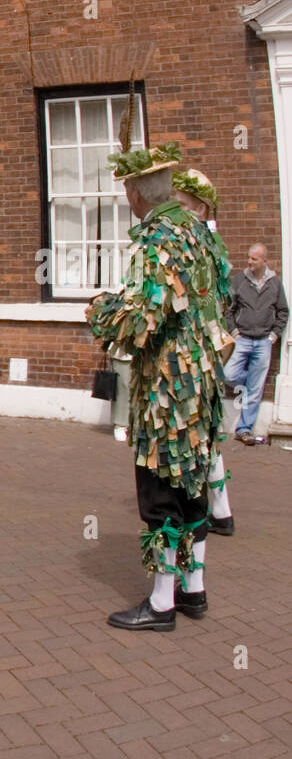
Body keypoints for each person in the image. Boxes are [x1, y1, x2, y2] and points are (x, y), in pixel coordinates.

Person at [88, 143, 228, 631]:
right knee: (192, 485)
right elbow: (212, 298)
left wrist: (102, 311)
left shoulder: (157, 239)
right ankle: (195, 592)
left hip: (169, 387)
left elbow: (145, 317)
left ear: (133, 192)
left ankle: (162, 604)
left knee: (162, 489)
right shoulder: (199, 233)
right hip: (203, 382)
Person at [173, 169, 235, 536]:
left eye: (181, 204)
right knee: (206, 434)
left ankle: (204, 514)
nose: (175, 211)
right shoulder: (214, 244)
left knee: (196, 435)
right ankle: (222, 511)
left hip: (196, 354)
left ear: (200, 206)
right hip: (209, 349)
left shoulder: (197, 244)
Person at [224, 241, 287, 445]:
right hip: (242, 339)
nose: (249, 261)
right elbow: (228, 309)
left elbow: (283, 311)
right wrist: (233, 331)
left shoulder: (275, 283)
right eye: (249, 257)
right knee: (228, 375)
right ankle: (250, 384)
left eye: (254, 258)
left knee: (256, 388)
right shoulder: (240, 280)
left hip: (263, 341)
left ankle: (244, 429)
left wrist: (274, 335)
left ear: (264, 261)